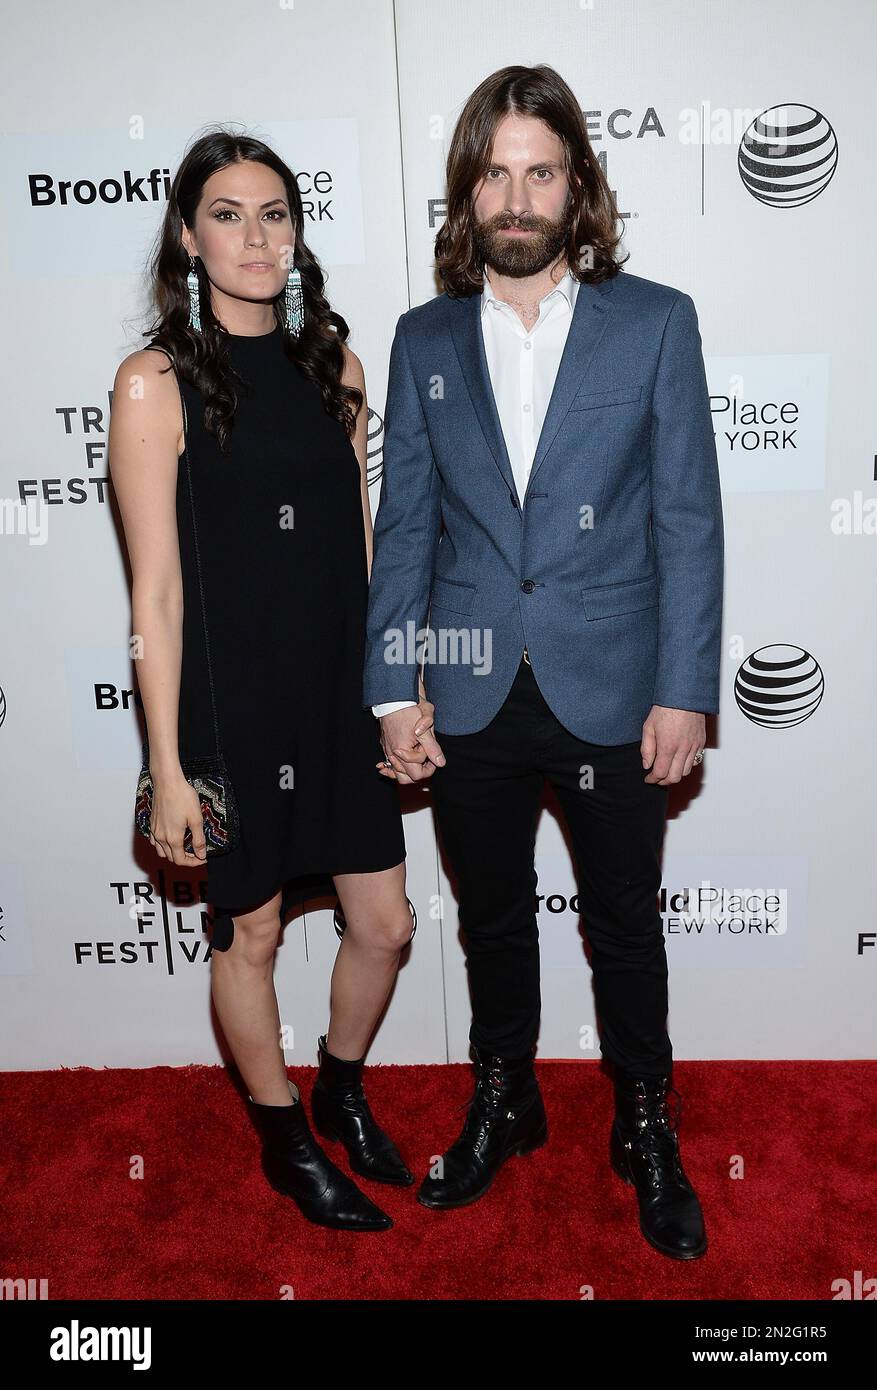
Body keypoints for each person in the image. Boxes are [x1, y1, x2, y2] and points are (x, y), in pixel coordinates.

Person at [364, 67, 724, 1260]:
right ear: (466, 191)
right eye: (494, 172)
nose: (516, 197)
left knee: (623, 922)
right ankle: (505, 1100)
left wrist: (683, 686)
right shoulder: (422, 338)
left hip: (614, 685)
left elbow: (686, 517)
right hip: (467, 684)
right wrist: (390, 685)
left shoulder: (656, 320)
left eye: (541, 171)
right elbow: (405, 528)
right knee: (493, 920)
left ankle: (645, 1124)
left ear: (578, 186)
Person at [110, 128, 436, 1232]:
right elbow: (153, 594)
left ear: (297, 234)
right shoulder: (153, 383)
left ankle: (339, 1085)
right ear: (189, 238)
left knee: (385, 923)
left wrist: (394, 688)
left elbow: (360, 547)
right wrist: (166, 767)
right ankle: (282, 1133)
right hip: (228, 703)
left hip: (337, 692)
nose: (255, 237)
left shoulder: (330, 365)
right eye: (228, 214)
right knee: (247, 932)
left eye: (274, 214)